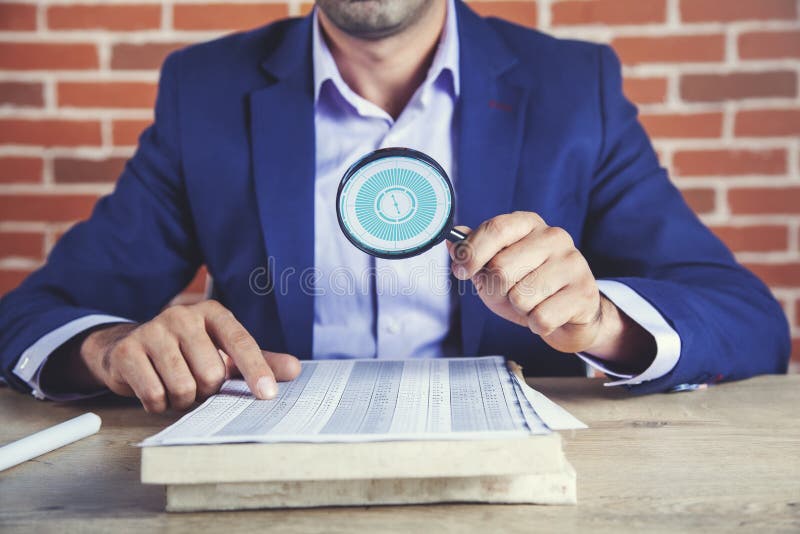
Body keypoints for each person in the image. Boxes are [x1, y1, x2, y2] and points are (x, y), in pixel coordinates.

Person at [0, 0, 790, 413]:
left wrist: (600, 323)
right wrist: (110, 348)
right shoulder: (204, 92)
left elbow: (748, 320)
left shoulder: (571, 87)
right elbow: (37, 314)